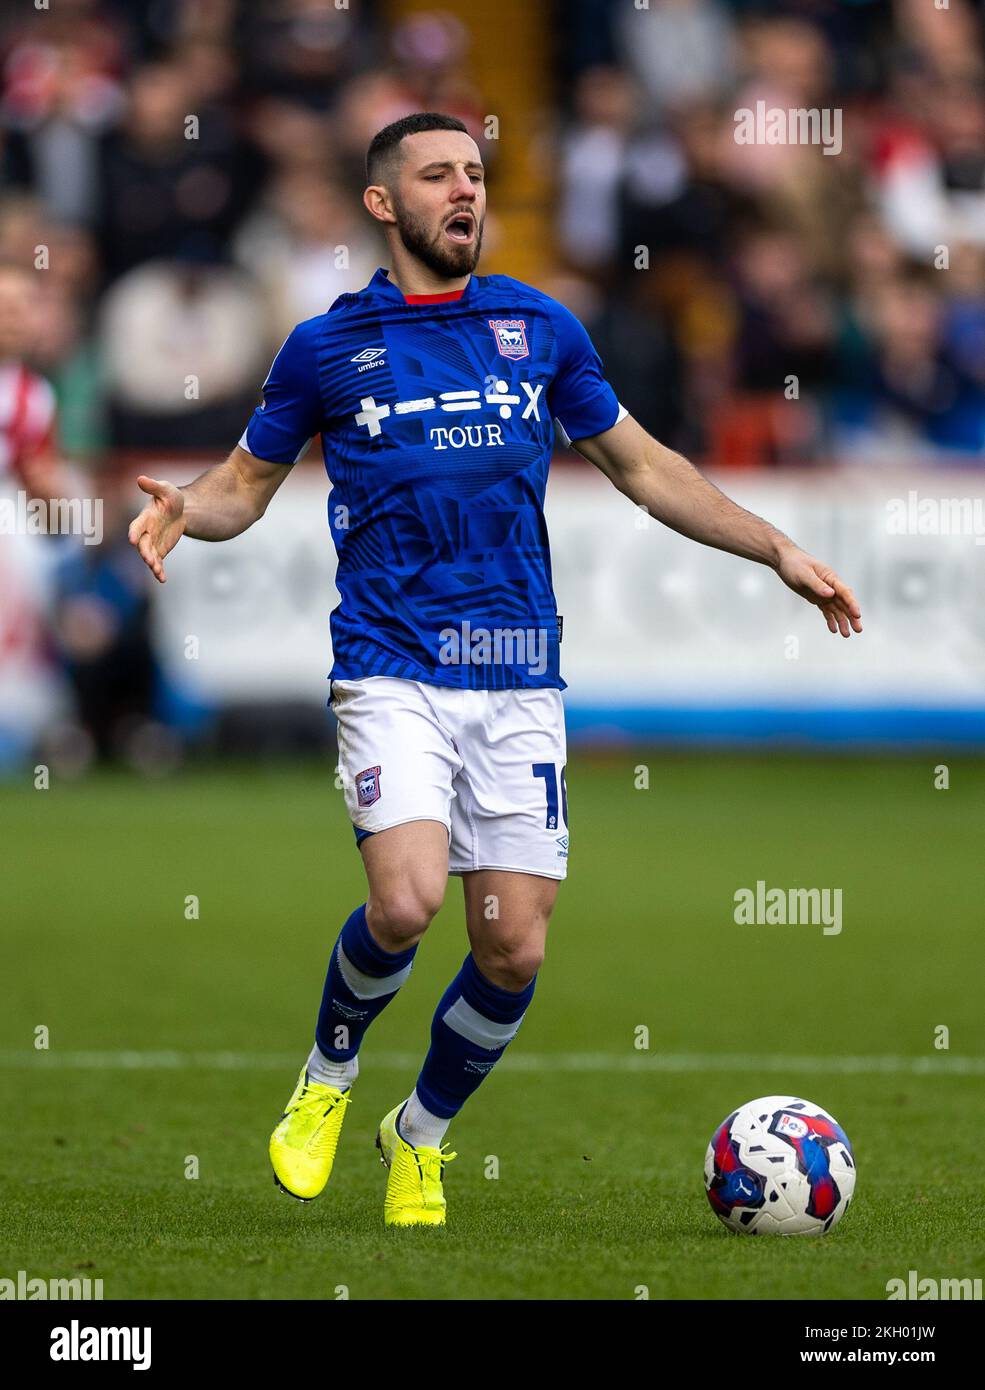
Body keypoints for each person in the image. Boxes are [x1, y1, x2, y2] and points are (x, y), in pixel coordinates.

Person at [127, 112, 862, 1229]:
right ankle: (325, 1083)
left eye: (475, 173)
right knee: (408, 898)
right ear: (385, 204)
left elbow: (644, 466)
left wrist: (776, 548)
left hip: (518, 672)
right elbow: (244, 485)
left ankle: (415, 1135)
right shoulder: (327, 348)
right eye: (437, 176)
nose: (464, 191)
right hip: (392, 663)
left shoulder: (538, 327)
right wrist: (187, 504)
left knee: (512, 942)